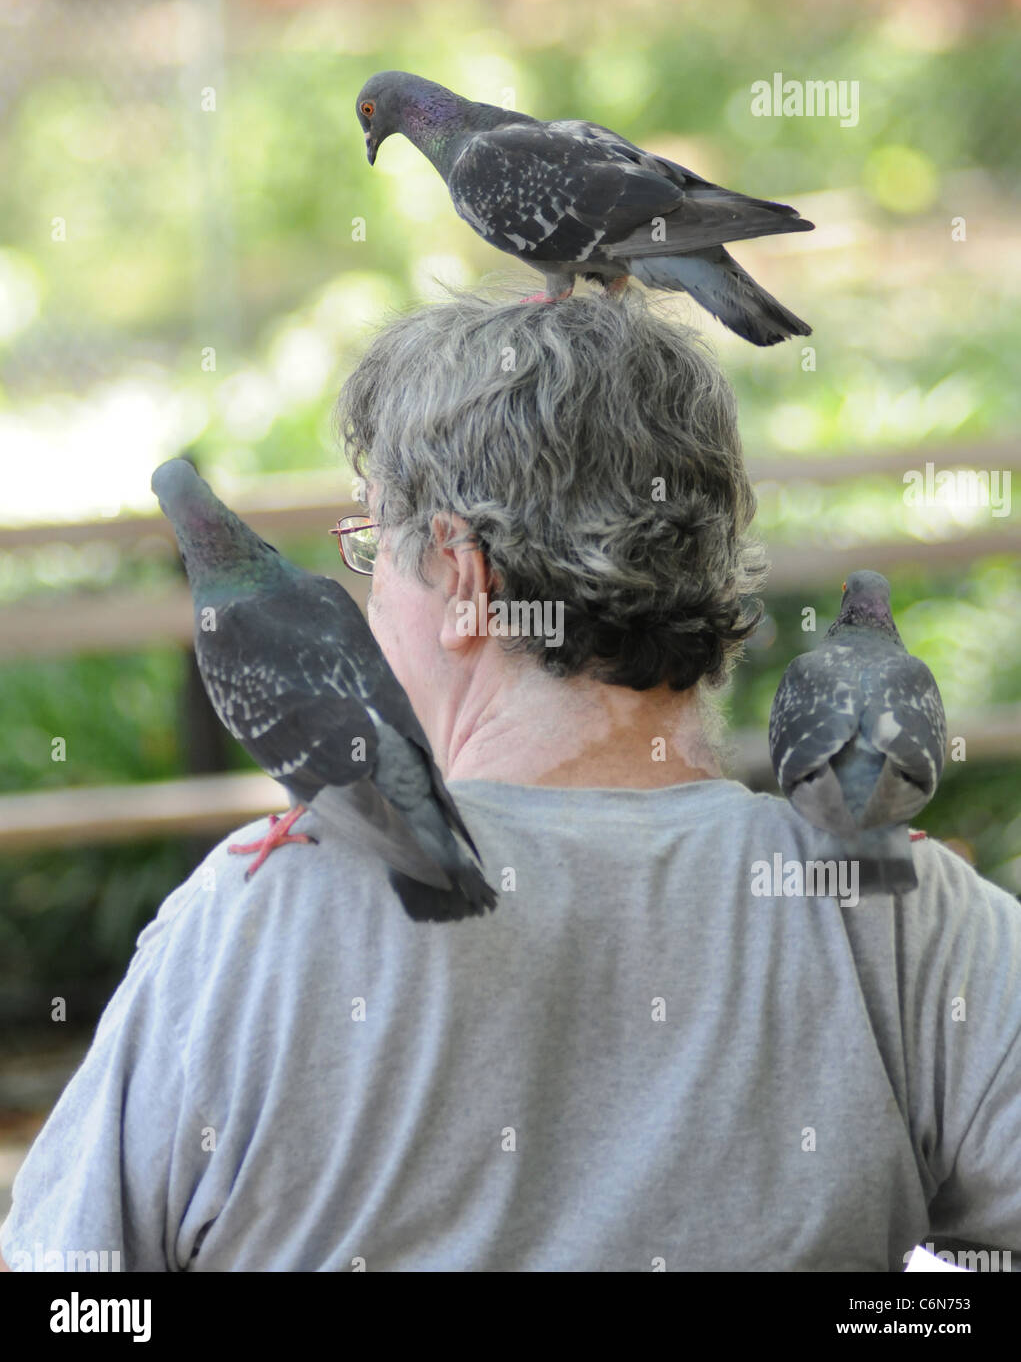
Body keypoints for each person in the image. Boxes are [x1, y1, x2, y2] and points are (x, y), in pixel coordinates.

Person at [2, 290, 1019, 1272]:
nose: (367, 602)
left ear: (464, 578)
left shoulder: (256, 918)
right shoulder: (908, 917)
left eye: (370, 553)